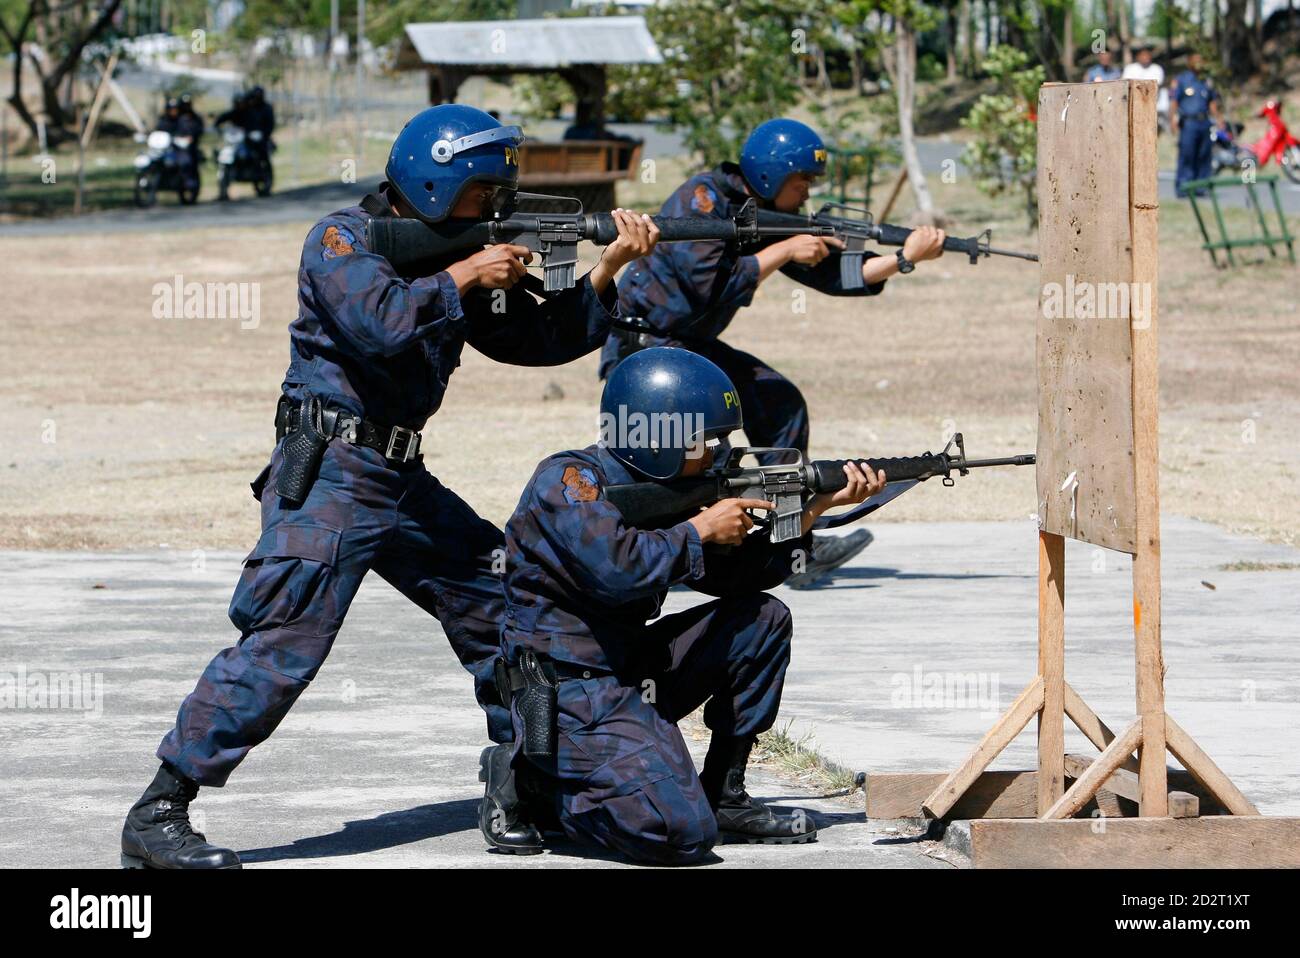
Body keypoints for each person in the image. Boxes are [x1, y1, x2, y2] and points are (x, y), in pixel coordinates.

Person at [120, 104, 659, 869]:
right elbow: (378, 323)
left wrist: (608, 269)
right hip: (332, 467)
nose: (494, 210)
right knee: (285, 639)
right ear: (437, 184)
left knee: (508, 607)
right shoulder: (342, 239)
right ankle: (159, 811)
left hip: (400, 477)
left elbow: (537, 341)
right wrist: (468, 271)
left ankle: (518, 783)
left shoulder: (465, 254)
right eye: (482, 195)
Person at [484, 347, 885, 864]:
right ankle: (530, 780)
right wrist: (699, 529)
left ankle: (725, 795)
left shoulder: (674, 488)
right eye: (707, 440)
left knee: (761, 619)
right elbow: (617, 570)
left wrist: (813, 512)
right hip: (571, 690)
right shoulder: (568, 483)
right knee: (678, 834)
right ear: (657, 437)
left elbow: (735, 581)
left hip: (632, 668)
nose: (720, 452)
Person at [598, 117, 944, 588]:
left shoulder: (769, 216)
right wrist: (783, 252)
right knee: (690, 451)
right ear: (769, 176)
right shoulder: (703, 200)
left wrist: (905, 258)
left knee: (779, 404)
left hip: (690, 346)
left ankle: (793, 542)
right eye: (801, 181)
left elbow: (834, 275)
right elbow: (706, 289)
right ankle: (647, 546)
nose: (806, 193)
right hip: (647, 349)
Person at [1170, 51, 1222, 196]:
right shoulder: (1182, 80)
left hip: (1204, 122)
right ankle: (1184, 186)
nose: (1199, 64)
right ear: (1189, 62)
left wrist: (1219, 119)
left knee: (1204, 154)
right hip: (1188, 123)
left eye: (1201, 61)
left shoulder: (1207, 80)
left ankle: (1201, 186)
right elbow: (1174, 102)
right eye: (1196, 60)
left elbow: (1212, 102)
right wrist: (1172, 120)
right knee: (1187, 154)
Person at [1123, 44, 1168, 130]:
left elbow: (1156, 86)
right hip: (1134, 106)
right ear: (1138, 57)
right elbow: (1126, 85)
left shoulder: (1157, 69)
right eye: (1143, 55)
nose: (1145, 57)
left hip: (1152, 105)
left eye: (1147, 55)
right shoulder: (1130, 68)